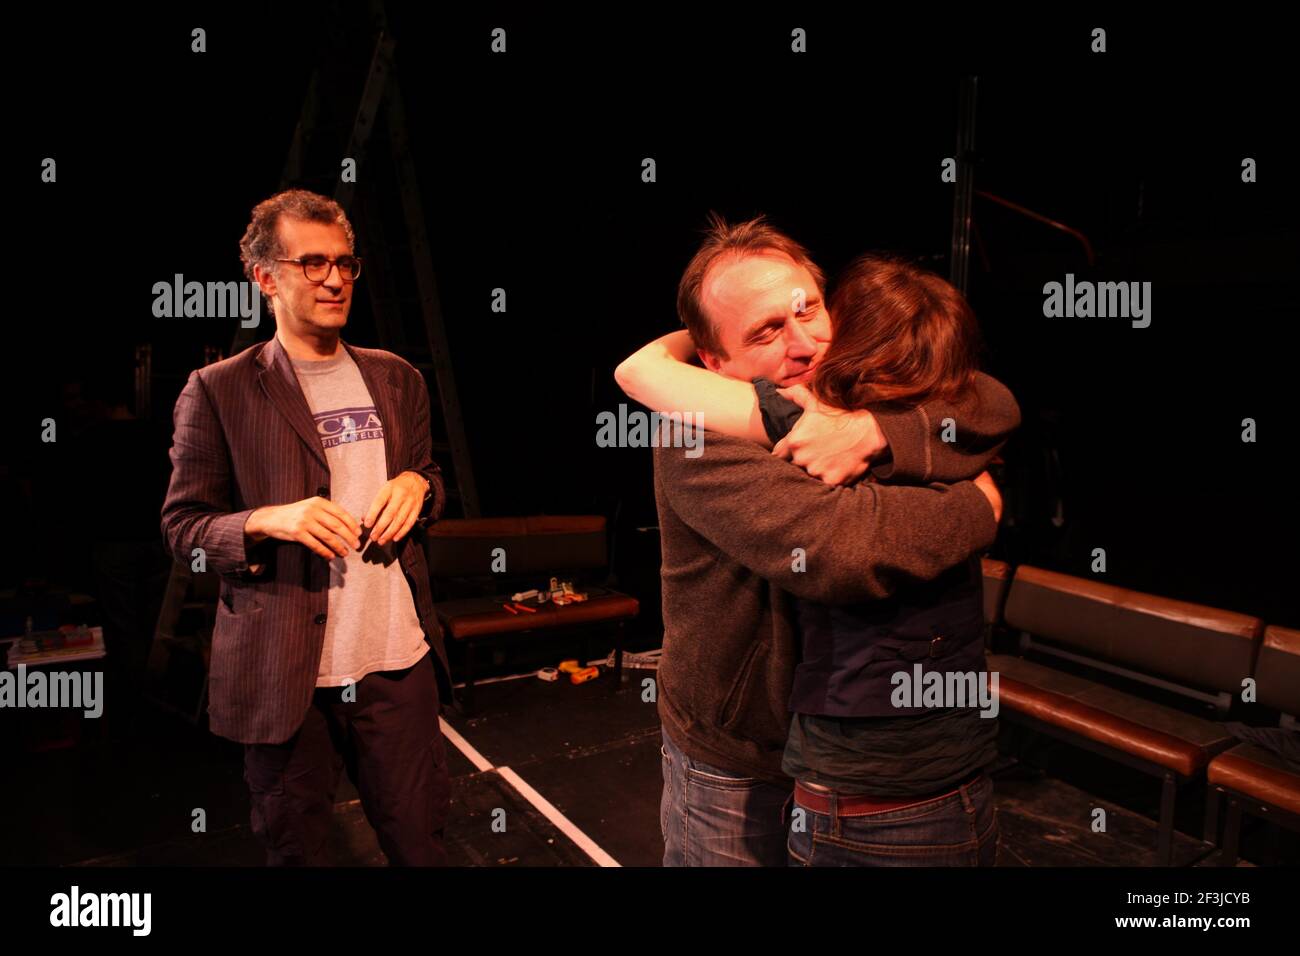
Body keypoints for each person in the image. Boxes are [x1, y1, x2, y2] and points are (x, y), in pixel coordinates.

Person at [615, 213, 1018, 866]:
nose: (802, 343)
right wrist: (979, 502)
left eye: (809, 312)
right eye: (767, 331)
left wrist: (886, 432)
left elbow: (989, 401)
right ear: (713, 361)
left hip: (836, 767)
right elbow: (841, 552)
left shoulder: (865, 404)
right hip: (737, 760)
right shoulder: (693, 434)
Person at [160, 189, 451, 866]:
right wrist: (267, 520)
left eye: (345, 264)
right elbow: (182, 528)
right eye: (312, 263)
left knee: (422, 843)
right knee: (299, 852)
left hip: (394, 660)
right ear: (265, 277)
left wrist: (418, 484)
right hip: (286, 673)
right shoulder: (219, 389)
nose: (333, 280)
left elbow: (428, 478)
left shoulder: (398, 379)